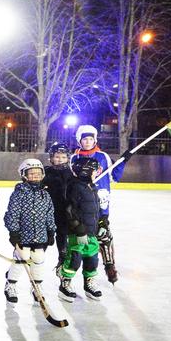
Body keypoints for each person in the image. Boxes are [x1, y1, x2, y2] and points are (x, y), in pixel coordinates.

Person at [70, 125, 131, 284]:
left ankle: (109, 266)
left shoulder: (103, 156)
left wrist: (122, 162)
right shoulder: (74, 158)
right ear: (79, 140)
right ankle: (76, 270)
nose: (88, 142)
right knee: (84, 238)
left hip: (100, 203)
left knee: (104, 236)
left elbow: (113, 176)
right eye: (85, 139)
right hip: (82, 203)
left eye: (91, 139)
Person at [2, 159, 56, 303]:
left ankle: (36, 286)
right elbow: (12, 213)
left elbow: (49, 214)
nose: (35, 176)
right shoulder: (19, 193)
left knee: (38, 258)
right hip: (23, 235)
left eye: (38, 174)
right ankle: (10, 284)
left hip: (40, 234)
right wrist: (14, 233)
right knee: (22, 257)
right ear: (24, 175)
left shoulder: (45, 194)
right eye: (31, 174)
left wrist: (51, 231)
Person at [59, 156, 104, 302]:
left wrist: (103, 223)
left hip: (91, 232)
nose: (96, 173)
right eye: (94, 170)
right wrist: (79, 229)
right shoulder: (75, 186)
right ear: (86, 171)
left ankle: (89, 283)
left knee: (92, 258)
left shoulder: (91, 186)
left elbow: (96, 209)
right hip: (77, 233)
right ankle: (65, 283)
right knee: (74, 259)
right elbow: (69, 210)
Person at [43, 142, 74, 273]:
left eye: (63, 157)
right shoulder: (45, 172)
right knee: (43, 240)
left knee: (63, 240)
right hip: (47, 213)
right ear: (51, 157)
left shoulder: (71, 173)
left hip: (64, 213)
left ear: (68, 158)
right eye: (57, 157)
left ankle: (62, 261)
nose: (60, 160)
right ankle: (36, 262)